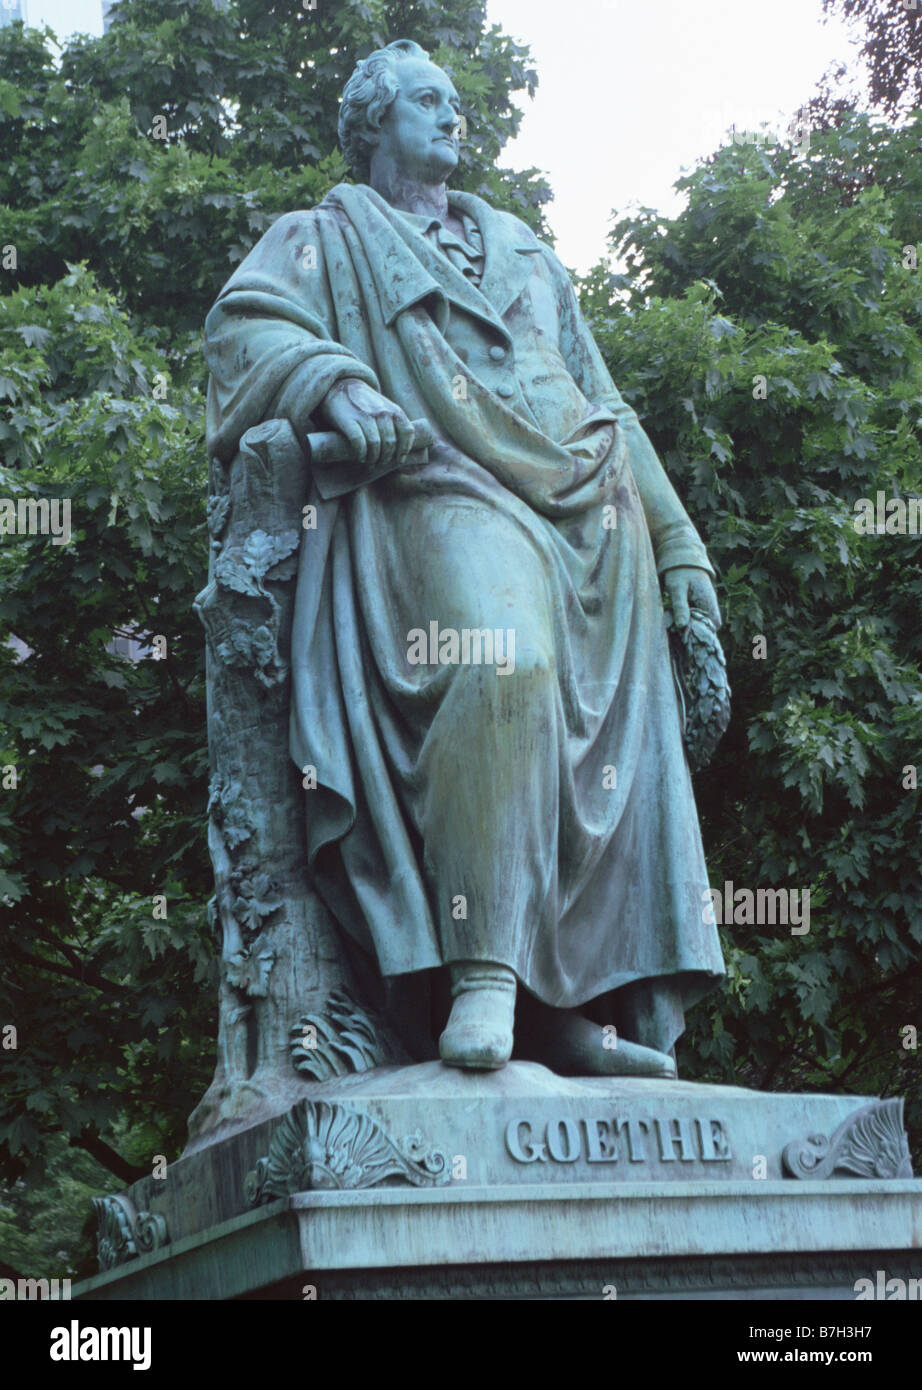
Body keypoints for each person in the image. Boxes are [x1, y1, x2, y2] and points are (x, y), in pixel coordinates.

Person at [203, 39, 725, 1078]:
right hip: (434, 488)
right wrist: (339, 389)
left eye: (456, 103)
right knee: (504, 662)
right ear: (372, 124)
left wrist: (678, 550)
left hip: (587, 513)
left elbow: (607, 403)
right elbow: (243, 330)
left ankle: (563, 1010)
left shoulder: (526, 251)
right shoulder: (322, 236)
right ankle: (481, 973)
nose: (454, 118)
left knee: (613, 716)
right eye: (428, 102)